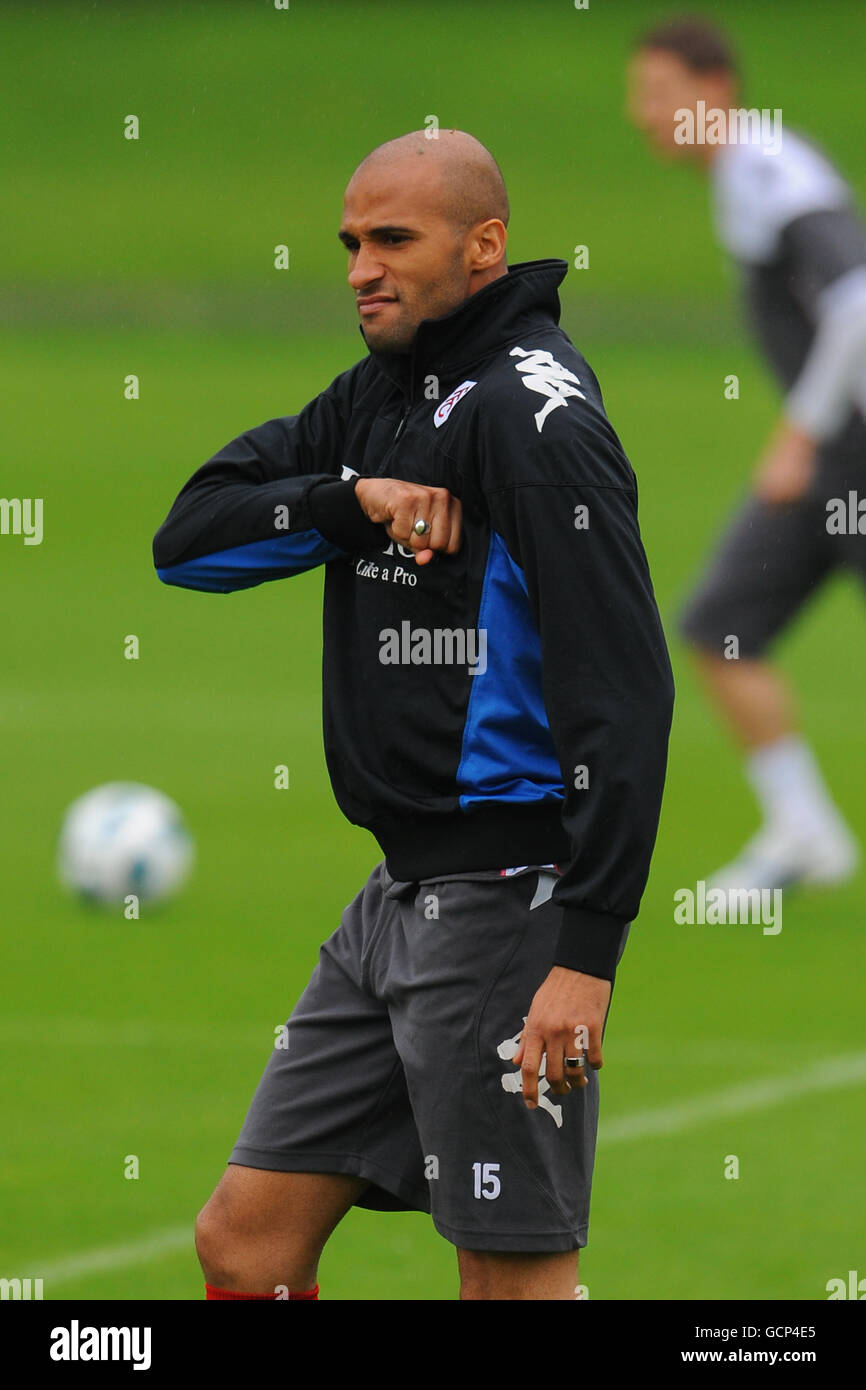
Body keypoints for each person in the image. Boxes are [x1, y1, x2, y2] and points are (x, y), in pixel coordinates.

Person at [153, 129, 674, 1301]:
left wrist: (583, 953)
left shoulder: (529, 422)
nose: (359, 268)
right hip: (394, 900)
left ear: (482, 246)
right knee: (245, 1241)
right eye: (349, 243)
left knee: (509, 1277)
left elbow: (624, 692)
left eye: (392, 240)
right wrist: (354, 501)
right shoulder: (386, 394)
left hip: (502, 907)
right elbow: (187, 544)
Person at [628, 16, 866, 891]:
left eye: (659, 96)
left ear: (715, 89)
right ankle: (806, 835)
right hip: (837, 457)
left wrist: (799, 432)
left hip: (852, 454)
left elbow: (859, 302)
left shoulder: (770, 169)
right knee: (721, 630)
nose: (646, 116)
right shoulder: (742, 173)